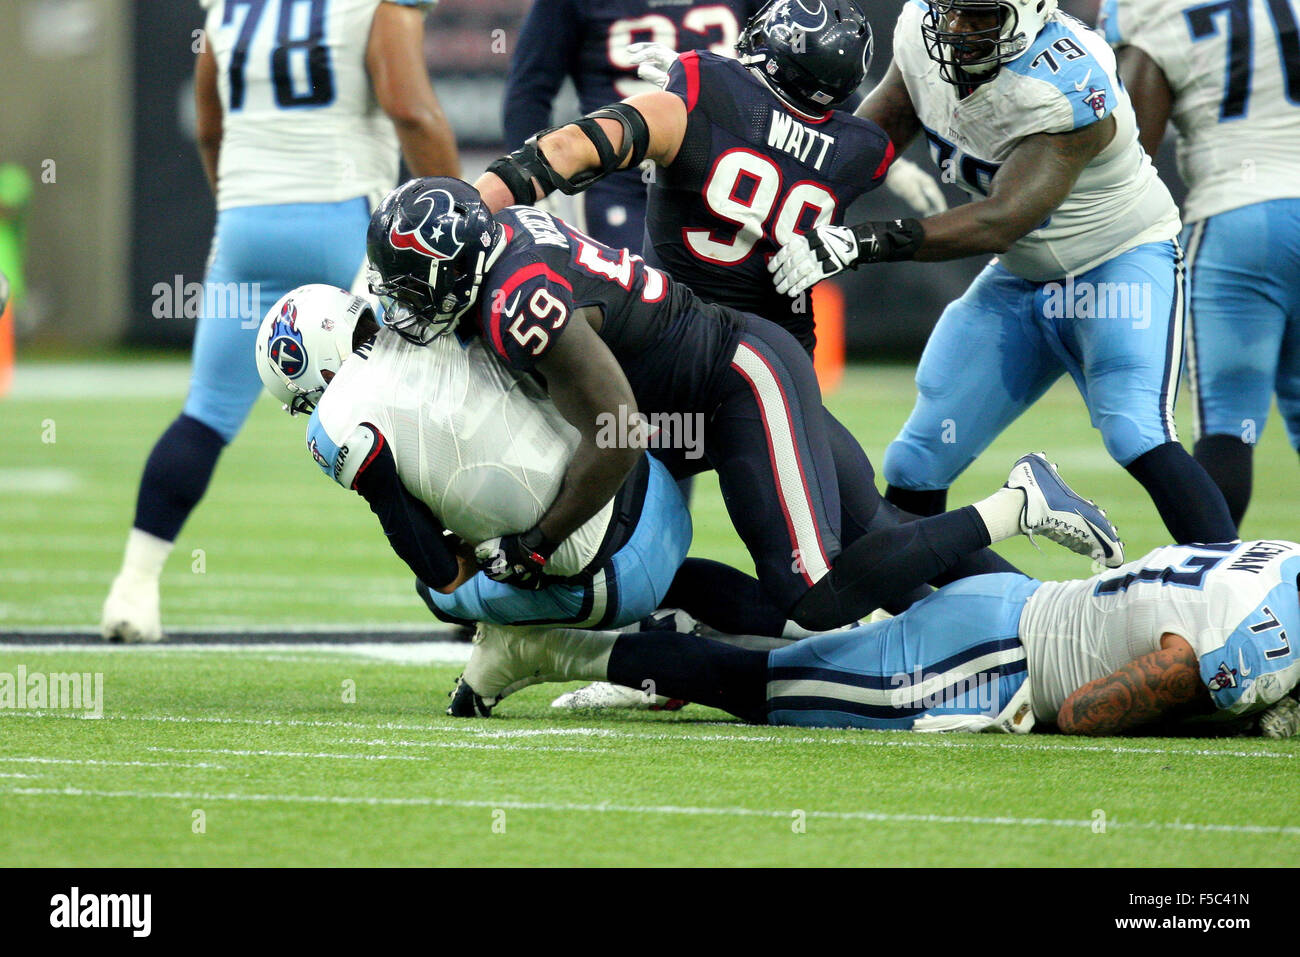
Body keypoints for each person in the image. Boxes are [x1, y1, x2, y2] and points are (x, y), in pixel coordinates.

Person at [366, 176, 1123, 635]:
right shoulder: (499, 245)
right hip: (698, 394)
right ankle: (1055, 617)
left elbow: (619, 432)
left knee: (814, 593)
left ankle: (1018, 503)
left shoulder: (520, 303)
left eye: (408, 284)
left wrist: (536, 544)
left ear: (453, 268)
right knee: (875, 529)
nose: (401, 302)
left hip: (735, 383)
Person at [475, 0, 1021, 630]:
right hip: (771, 366)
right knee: (867, 524)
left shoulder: (704, 87)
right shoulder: (860, 150)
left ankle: (1006, 577)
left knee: (777, 579)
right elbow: (803, 133)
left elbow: (569, 148)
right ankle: (1021, 611)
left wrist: (470, 210)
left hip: (703, 366)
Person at [767, 0, 1238, 548]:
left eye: (979, 16)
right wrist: (784, 177)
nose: (957, 29)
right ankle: (910, 594)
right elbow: (880, 128)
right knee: (919, 457)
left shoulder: (1068, 79)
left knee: (1136, 432)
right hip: (1021, 274)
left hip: (1117, 262)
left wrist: (866, 241)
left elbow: (1003, 220)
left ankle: (1231, 586)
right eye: (952, 11)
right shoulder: (921, 30)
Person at [101, 0, 461, 642]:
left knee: (205, 414)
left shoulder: (229, 8)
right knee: (426, 412)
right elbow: (410, 109)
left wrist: (241, 208)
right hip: (347, 221)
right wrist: (463, 215)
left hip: (248, 225)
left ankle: (132, 589)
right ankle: (469, 595)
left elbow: (208, 126)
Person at [450, 538, 1300, 741]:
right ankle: (542, 650)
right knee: (759, 684)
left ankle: (650, 600)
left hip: (1011, 598)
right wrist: (1237, 718)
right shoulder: (1265, 634)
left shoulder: (1282, 559)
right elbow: (1084, 711)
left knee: (804, 627)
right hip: (981, 666)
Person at [255, 283, 691, 629]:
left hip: (608, 573)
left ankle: (531, 658)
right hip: (644, 478)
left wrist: (485, 546)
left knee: (437, 593)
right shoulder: (429, 301)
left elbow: (441, 572)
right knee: (684, 582)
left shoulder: (341, 419)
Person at [1098, 0, 1300, 528]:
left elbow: (1131, 146)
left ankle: (1214, 574)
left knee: (1229, 420)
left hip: (1239, 215)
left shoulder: (1156, 7)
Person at [502, 0, 765, 251]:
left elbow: (777, 67)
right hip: (619, 173)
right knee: (631, 278)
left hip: (725, 168)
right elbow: (530, 89)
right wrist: (533, 179)